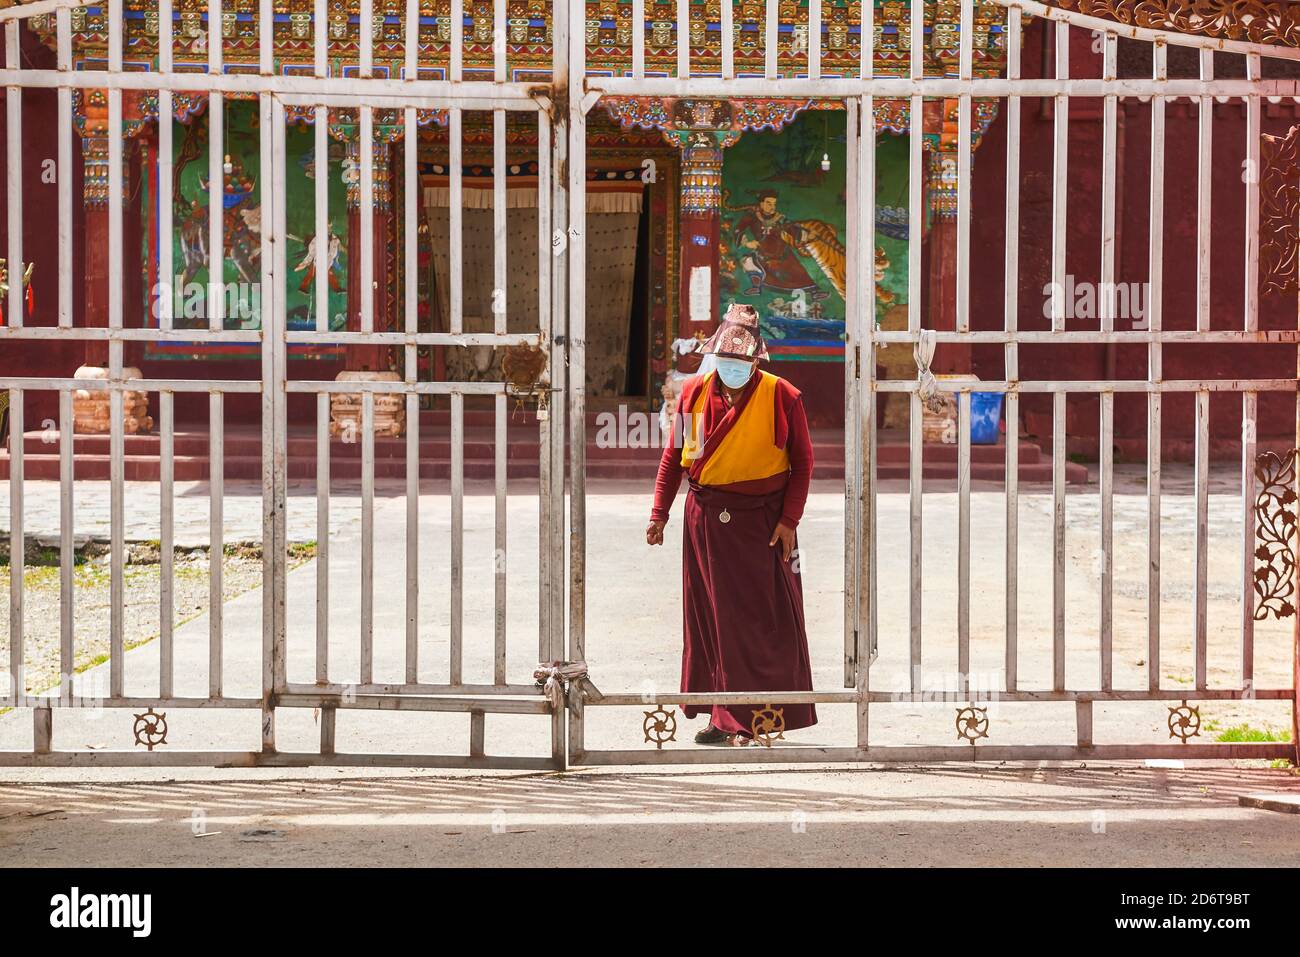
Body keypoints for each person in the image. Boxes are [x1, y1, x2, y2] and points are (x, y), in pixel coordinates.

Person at [646, 302, 817, 745]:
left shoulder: (782, 395)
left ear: (755, 359)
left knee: (762, 620)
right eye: (725, 361)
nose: (732, 370)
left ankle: (760, 717)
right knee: (712, 619)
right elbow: (674, 458)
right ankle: (722, 715)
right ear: (714, 357)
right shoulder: (694, 394)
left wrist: (789, 521)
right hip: (706, 520)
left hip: (762, 523)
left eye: (740, 362)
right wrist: (659, 513)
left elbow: (802, 465)